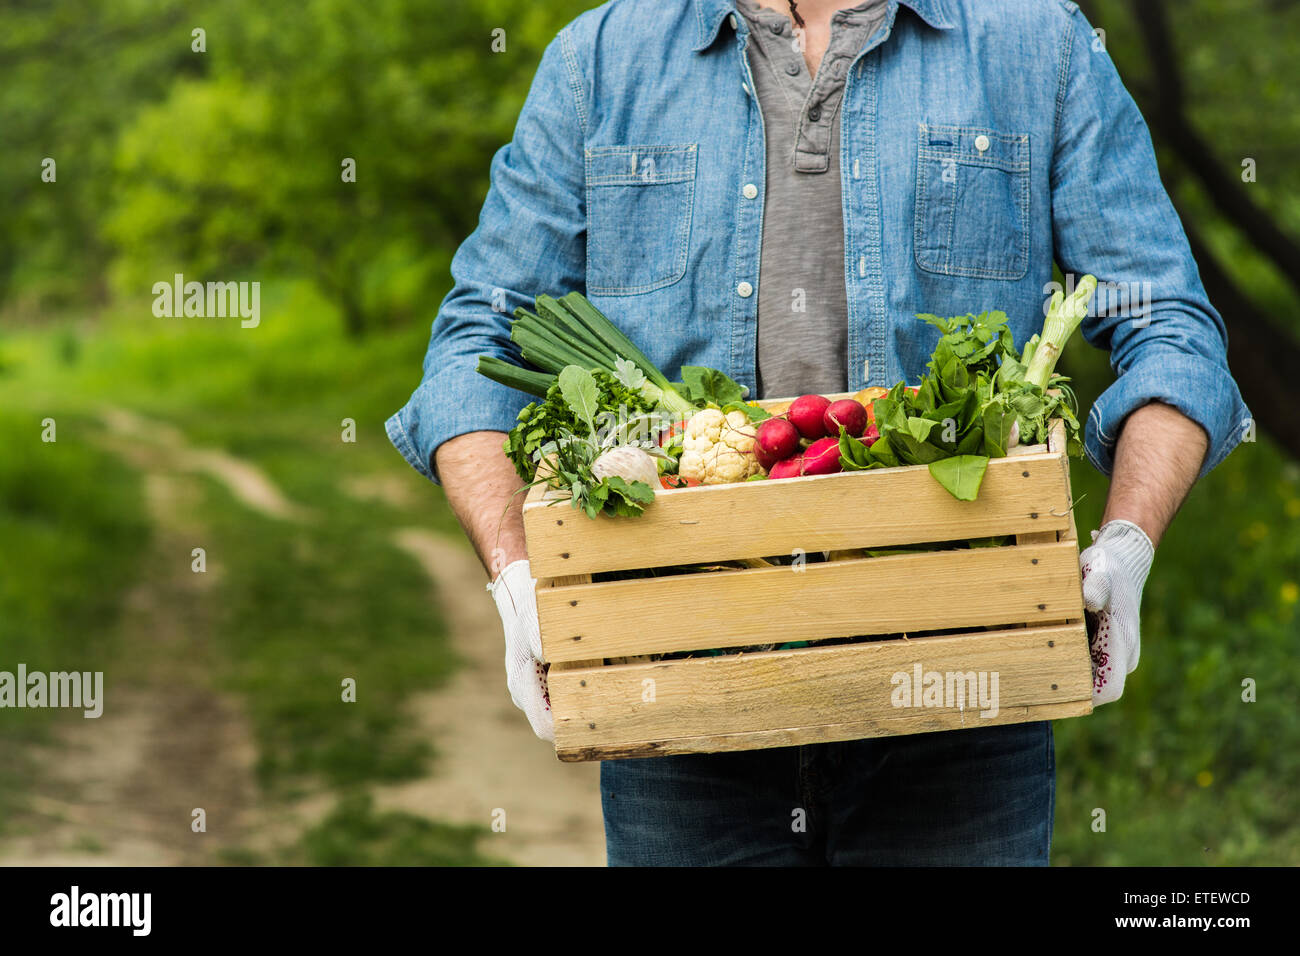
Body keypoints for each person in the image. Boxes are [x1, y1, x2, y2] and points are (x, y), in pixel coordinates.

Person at [386, 0, 1250, 865]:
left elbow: (1168, 323)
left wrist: (1129, 539)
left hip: (963, 693)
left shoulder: (1036, 44)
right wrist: (517, 575)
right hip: (681, 693)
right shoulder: (602, 60)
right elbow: (475, 342)